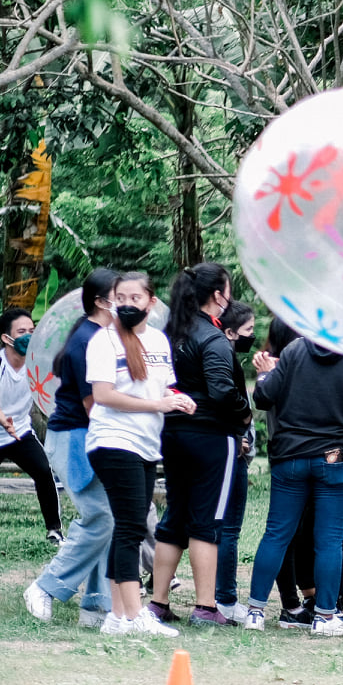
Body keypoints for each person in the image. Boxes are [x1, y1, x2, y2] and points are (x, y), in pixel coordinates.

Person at [245, 326, 343, 635]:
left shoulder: (295, 350)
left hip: (290, 456)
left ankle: (255, 612)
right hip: (336, 457)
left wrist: (263, 375)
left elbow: (263, 396)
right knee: (329, 539)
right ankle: (325, 617)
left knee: (276, 534)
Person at [87, 272, 194, 637]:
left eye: (135, 298)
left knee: (126, 527)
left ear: (151, 302)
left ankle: (117, 617)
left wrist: (177, 399)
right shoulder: (103, 341)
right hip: (114, 442)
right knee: (132, 527)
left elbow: (163, 386)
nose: (127, 304)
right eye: (121, 298)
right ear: (112, 302)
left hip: (146, 444)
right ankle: (135, 616)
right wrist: (157, 404)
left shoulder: (159, 341)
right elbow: (102, 396)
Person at [147, 263, 251, 627]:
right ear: (217, 296)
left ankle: (157, 602)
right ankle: (206, 607)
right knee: (207, 521)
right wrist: (244, 414)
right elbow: (223, 389)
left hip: (172, 432)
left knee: (175, 517)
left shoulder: (168, 333)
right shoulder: (213, 338)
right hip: (211, 436)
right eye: (228, 290)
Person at [25, 270, 119, 627]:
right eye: (118, 296)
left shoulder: (100, 336)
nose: (125, 304)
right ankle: (44, 587)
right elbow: (93, 405)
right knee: (101, 517)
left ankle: (96, 607)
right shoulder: (87, 342)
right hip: (76, 439)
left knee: (106, 518)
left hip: (89, 437)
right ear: (100, 301)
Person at [0, 307, 63, 542]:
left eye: (32, 330)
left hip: (20, 433)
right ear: (7, 338)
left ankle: (54, 530)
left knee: (44, 472)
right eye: (22, 331)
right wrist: (2, 419)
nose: (29, 336)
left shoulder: (38, 362)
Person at [212, 301, 257, 623]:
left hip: (220, 446)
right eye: (249, 331)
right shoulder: (224, 359)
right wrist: (238, 432)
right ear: (229, 332)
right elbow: (227, 401)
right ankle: (225, 598)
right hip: (228, 451)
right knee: (228, 529)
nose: (252, 337)